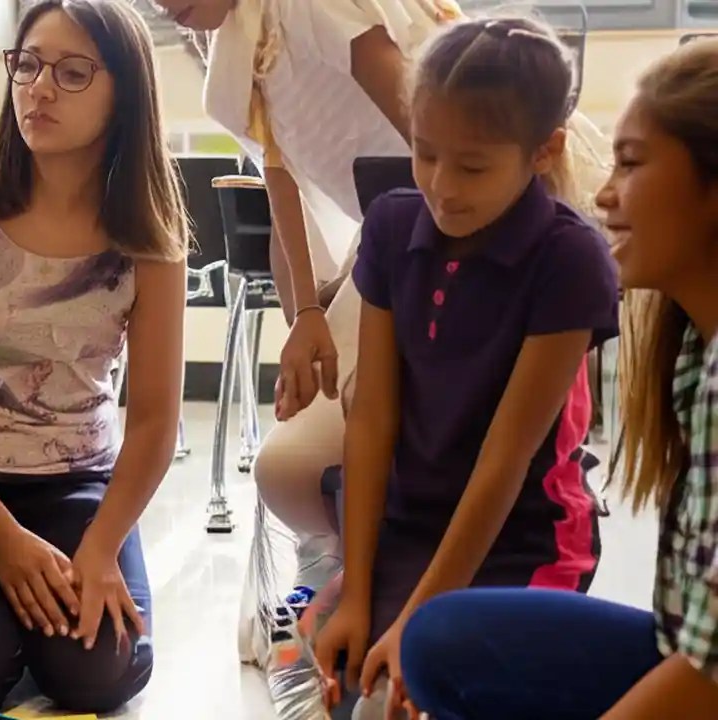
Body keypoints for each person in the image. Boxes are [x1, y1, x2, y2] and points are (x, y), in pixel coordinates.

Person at [154, 0, 613, 593]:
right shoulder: (235, 42)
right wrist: (308, 313)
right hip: (395, 238)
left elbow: (433, 133)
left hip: (463, 240)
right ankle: (354, 571)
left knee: (460, 434)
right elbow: (278, 168)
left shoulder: (309, 9)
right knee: (297, 464)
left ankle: (526, 513)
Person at [304, 16, 619, 718]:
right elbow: (374, 418)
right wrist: (358, 593)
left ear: (544, 152)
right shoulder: (390, 226)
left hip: (525, 535)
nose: (441, 187)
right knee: (361, 687)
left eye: (472, 166)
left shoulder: (570, 259)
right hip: (409, 520)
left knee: (437, 679)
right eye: (424, 154)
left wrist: (417, 618)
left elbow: (504, 461)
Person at [399, 39, 718, 720]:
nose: (603, 193)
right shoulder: (695, 346)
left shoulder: (565, 262)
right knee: (440, 640)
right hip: (689, 658)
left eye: (630, 164)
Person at [0, 0, 187, 715]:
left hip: (75, 485)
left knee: (101, 672)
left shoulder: (149, 237)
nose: (39, 87)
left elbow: (152, 422)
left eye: (73, 71)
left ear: (126, 92)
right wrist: (0, 537)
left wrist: (102, 546)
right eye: (27, 64)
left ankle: (27, 622)